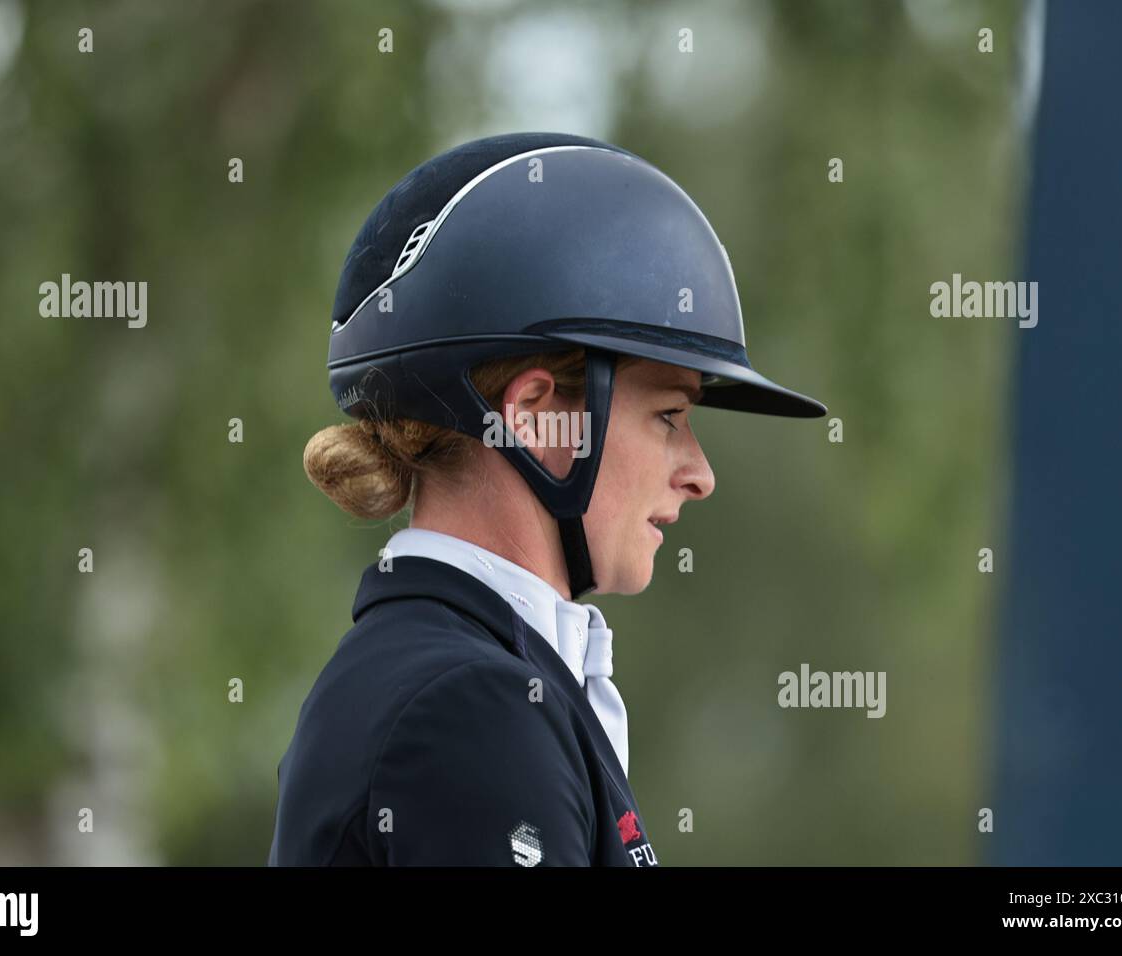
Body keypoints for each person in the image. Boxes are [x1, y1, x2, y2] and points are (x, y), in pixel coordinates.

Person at [268, 132, 825, 866]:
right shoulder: (470, 708)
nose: (699, 473)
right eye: (668, 417)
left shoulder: (467, 676)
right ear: (531, 413)